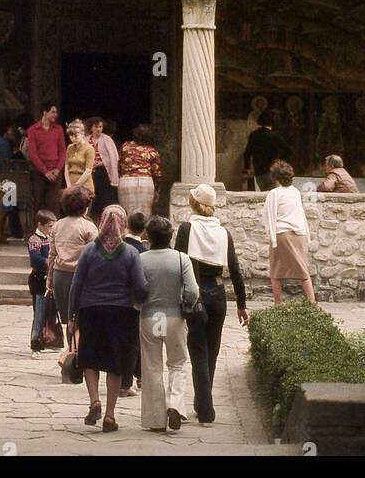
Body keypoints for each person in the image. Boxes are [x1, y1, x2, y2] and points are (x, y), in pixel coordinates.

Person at [68, 205, 148, 434]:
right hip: (121, 313)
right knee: (115, 362)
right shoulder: (131, 253)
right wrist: (142, 299)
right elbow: (140, 286)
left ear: (101, 222)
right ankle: (110, 415)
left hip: (91, 310)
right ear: (123, 224)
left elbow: (77, 285)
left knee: (89, 358)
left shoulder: (89, 251)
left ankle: (94, 400)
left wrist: (72, 315)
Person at [176, 183, 248, 426]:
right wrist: (242, 303)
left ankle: (205, 408)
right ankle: (202, 402)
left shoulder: (187, 228)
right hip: (218, 293)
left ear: (194, 203)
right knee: (212, 351)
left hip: (195, 292)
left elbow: (179, 262)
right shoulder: (223, 232)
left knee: (198, 353)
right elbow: (235, 270)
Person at [138, 214, 199, 433]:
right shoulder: (181, 259)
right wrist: (187, 304)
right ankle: (175, 404)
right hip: (174, 317)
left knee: (152, 367)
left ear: (149, 236)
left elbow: (135, 289)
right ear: (170, 235)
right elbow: (192, 290)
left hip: (149, 317)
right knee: (178, 363)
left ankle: (155, 419)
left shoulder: (141, 259)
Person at [264, 159, 315, 304]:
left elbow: (269, 214)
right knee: (302, 270)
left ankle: (278, 303)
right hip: (299, 234)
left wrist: (270, 235)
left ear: (275, 177)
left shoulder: (275, 193)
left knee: (276, 271)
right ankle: (312, 302)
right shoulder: (295, 192)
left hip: (282, 233)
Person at [48, 186, 98, 325]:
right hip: (82, 276)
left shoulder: (57, 225)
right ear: (85, 207)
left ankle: (71, 345)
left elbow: (52, 254)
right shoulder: (88, 227)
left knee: (68, 319)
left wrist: (49, 279)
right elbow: (95, 254)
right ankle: (77, 347)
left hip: (60, 275)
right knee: (82, 319)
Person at [26, 101, 66, 218]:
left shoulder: (58, 129)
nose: (55, 115)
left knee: (53, 203)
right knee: (38, 202)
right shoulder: (33, 130)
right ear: (45, 112)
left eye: (56, 112)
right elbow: (33, 154)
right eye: (53, 112)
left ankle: (54, 232)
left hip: (55, 171)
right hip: (39, 172)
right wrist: (45, 172)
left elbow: (62, 151)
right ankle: (38, 233)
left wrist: (57, 169)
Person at [27, 208, 56, 355]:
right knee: (39, 312)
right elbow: (35, 259)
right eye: (50, 226)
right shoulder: (35, 240)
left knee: (50, 312)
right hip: (39, 280)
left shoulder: (51, 238)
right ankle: (35, 342)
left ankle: (50, 339)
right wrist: (50, 261)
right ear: (40, 225)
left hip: (51, 279)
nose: (52, 229)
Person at [118, 124, 162, 219]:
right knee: (144, 217)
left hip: (126, 181)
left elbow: (119, 165)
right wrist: (157, 189)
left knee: (126, 216)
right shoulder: (151, 151)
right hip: (145, 182)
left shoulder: (125, 146)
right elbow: (157, 173)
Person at [243, 112, 289, 190]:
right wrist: (279, 161)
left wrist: (247, 168)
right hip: (273, 171)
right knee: (274, 195)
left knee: (265, 195)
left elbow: (247, 153)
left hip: (259, 172)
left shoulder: (253, 135)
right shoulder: (275, 136)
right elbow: (288, 150)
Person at [86, 117, 119, 218]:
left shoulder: (107, 139)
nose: (99, 129)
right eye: (96, 127)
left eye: (100, 127)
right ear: (91, 128)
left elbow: (114, 157)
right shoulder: (86, 140)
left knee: (105, 199)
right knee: (91, 198)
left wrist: (101, 163)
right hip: (89, 172)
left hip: (103, 173)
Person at [63, 119, 96, 200]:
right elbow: (66, 167)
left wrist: (75, 187)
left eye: (76, 135)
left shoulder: (89, 149)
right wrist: (69, 186)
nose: (73, 138)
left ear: (82, 133)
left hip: (85, 186)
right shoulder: (70, 147)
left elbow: (88, 171)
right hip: (71, 184)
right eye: (71, 136)